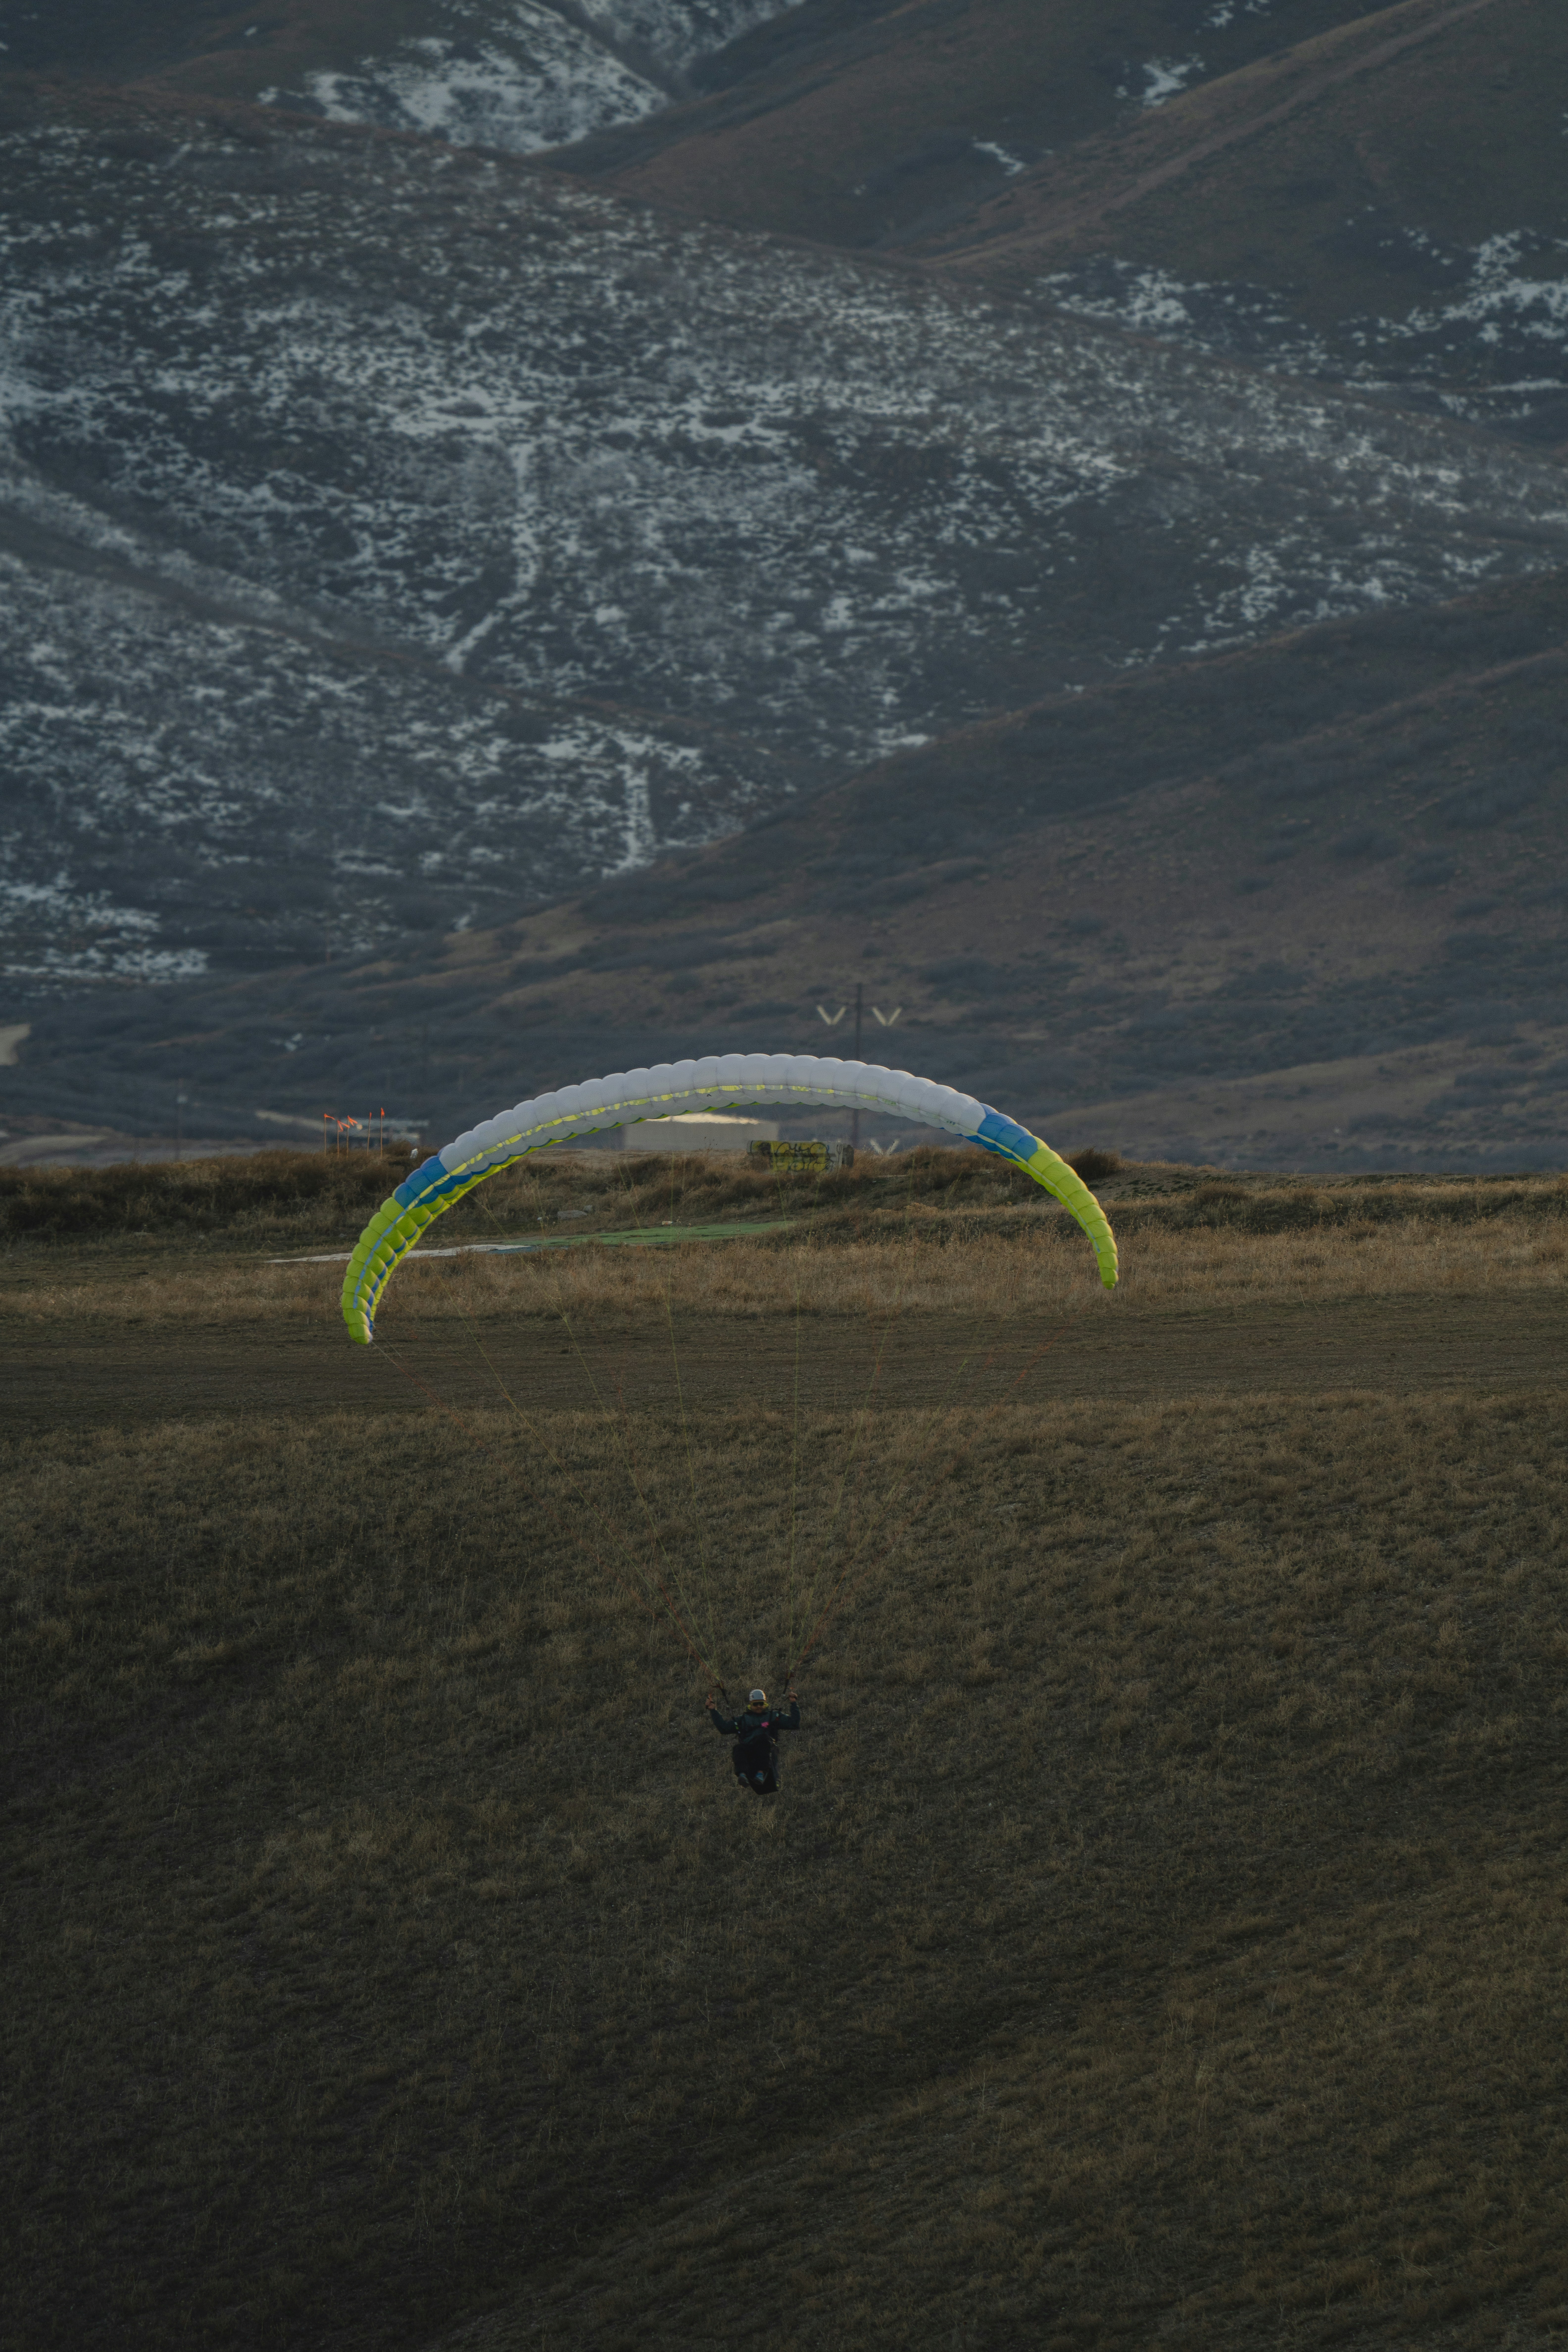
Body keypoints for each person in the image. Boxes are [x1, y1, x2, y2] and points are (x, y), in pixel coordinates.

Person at [708, 1686, 800, 1795]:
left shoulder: (773, 1717)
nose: (759, 1707)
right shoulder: (743, 1720)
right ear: (750, 1705)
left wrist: (793, 1703)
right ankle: (743, 1775)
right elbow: (724, 1728)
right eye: (756, 1704)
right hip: (750, 1751)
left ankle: (761, 1773)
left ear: (765, 1704)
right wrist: (713, 1710)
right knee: (738, 1748)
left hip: (765, 1749)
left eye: (762, 1704)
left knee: (762, 1739)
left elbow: (794, 1723)